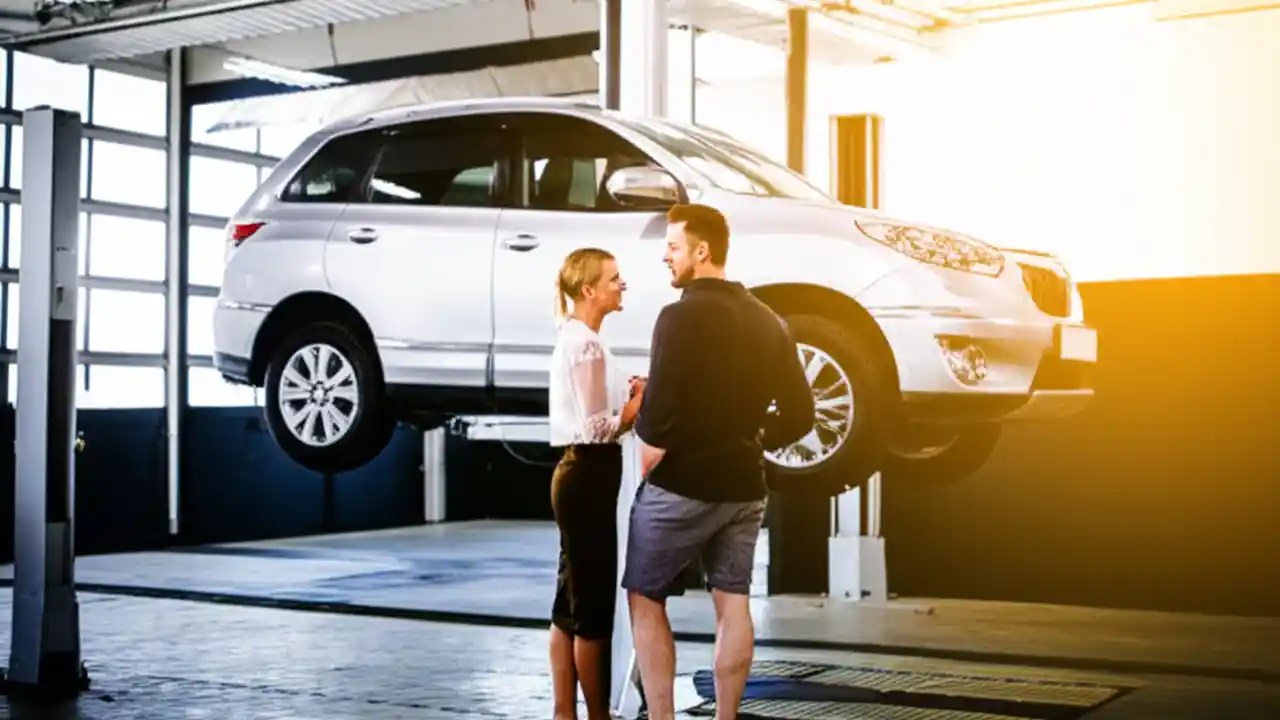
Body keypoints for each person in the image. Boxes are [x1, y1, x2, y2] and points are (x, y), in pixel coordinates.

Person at [623, 204, 816, 720]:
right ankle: (726, 716)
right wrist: (749, 437)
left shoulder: (678, 316)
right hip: (745, 489)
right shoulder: (767, 320)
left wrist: (646, 415)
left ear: (701, 251)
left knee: (645, 598)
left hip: (682, 485)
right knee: (733, 603)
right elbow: (801, 415)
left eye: (673, 246)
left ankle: (660, 717)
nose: (666, 257)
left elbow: (658, 423)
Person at [547, 247, 646, 720]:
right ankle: (598, 715)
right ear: (589, 290)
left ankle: (564, 711)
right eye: (613, 278)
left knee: (569, 600)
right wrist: (638, 406)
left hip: (578, 474)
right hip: (589, 472)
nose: (620, 285)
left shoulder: (575, 337)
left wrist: (627, 394)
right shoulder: (586, 343)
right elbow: (596, 428)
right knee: (592, 608)